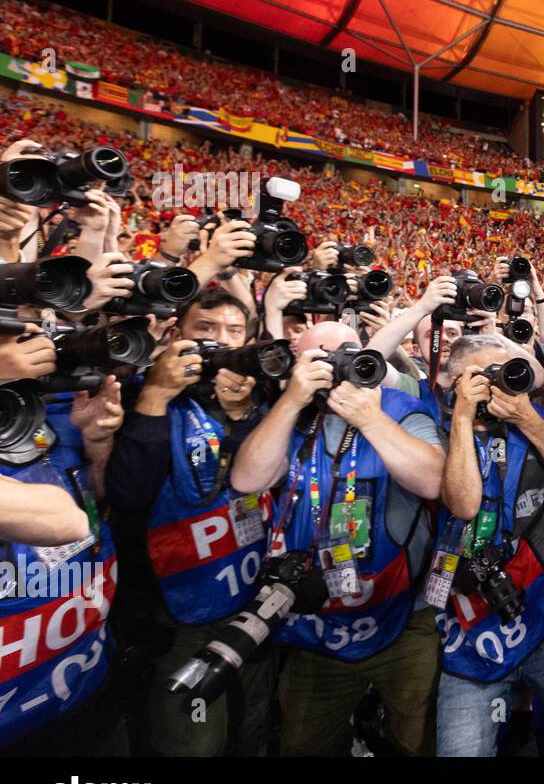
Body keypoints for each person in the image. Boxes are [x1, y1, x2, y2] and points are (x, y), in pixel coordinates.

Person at [229, 320, 445, 756]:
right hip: (317, 626)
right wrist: (292, 399)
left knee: (416, 739)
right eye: (321, 359)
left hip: (402, 616)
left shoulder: (402, 407)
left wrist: (369, 417)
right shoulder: (292, 416)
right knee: (306, 743)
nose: (338, 367)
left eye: (346, 352)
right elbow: (248, 479)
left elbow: (435, 482)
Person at [105, 289, 272, 756]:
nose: (221, 342)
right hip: (177, 609)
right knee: (195, 740)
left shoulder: (254, 397)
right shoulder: (140, 392)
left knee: (251, 723)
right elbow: (129, 493)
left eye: (233, 333)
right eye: (206, 330)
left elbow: (256, 482)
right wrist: (157, 394)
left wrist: (241, 416)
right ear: (176, 335)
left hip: (252, 599)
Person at [432, 334, 544, 756]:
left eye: (508, 373)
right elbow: (465, 504)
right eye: (490, 375)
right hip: (467, 620)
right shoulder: (432, 428)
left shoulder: (530, 420)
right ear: (457, 381)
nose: (503, 385)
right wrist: (464, 419)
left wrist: (527, 419)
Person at [0, 373, 125, 754]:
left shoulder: (28, 407)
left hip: (83, 673)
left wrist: (97, 443)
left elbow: (90, 510)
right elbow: (64, 521)